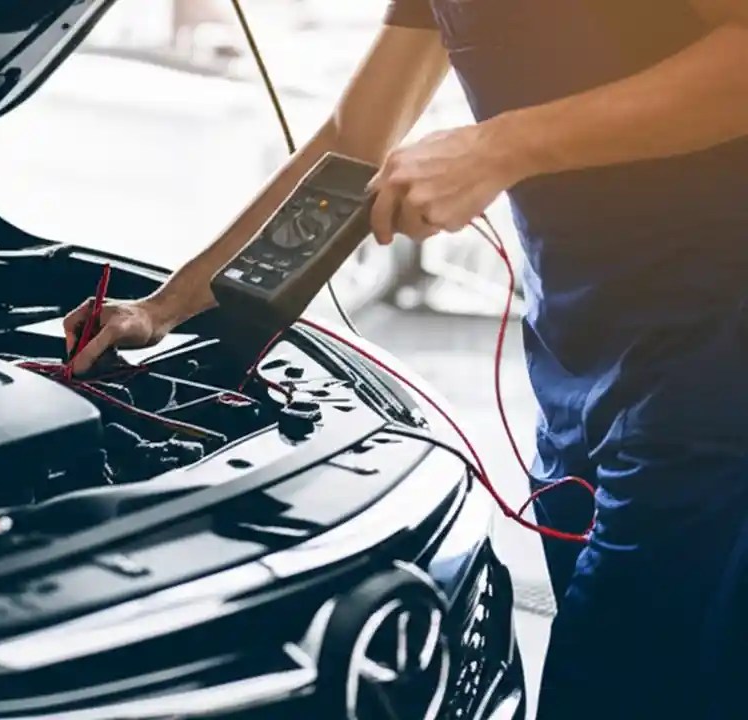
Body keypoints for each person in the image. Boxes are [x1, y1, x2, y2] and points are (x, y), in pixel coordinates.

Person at [63, 1, 748, 717]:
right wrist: (164, 306)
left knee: (615, 680)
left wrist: (502, 146)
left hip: (716, 352)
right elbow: (350, 141)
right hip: (578, 357)